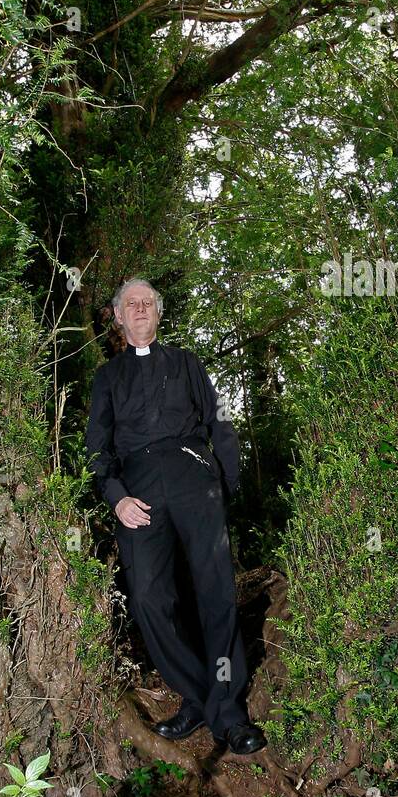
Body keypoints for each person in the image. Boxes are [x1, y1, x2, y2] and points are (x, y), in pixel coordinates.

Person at [85, 276, 266, 754]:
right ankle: (199, 696)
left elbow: (220, 420)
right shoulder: (106, 379)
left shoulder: (187, 363)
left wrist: (226, 481)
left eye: (148, 302)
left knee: (216, 595)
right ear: (118, 318)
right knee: (147, 597)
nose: (140, 308)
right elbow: (97, 450)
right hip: (138, 490)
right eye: (131, 303)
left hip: (193, 477)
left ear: (158, 315)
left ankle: (229, 711)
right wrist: (116, 496)